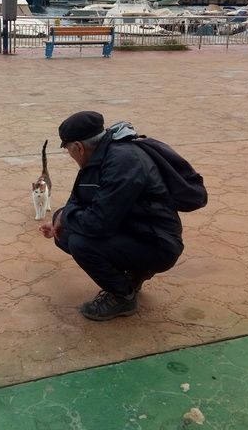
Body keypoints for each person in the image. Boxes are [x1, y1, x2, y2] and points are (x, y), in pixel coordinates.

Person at [39, 111, 184, 321]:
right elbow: (79, 198)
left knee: (80, 242)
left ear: (78, 147)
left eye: (69, 151)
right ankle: (133, 275)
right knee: (64, 230)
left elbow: (97, 224)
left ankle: (122, 295)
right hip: (136, 230)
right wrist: (61, 217)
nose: (71, 156)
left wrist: (67, 217)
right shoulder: (100, 155)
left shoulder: (123, 163)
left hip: (158, 243)